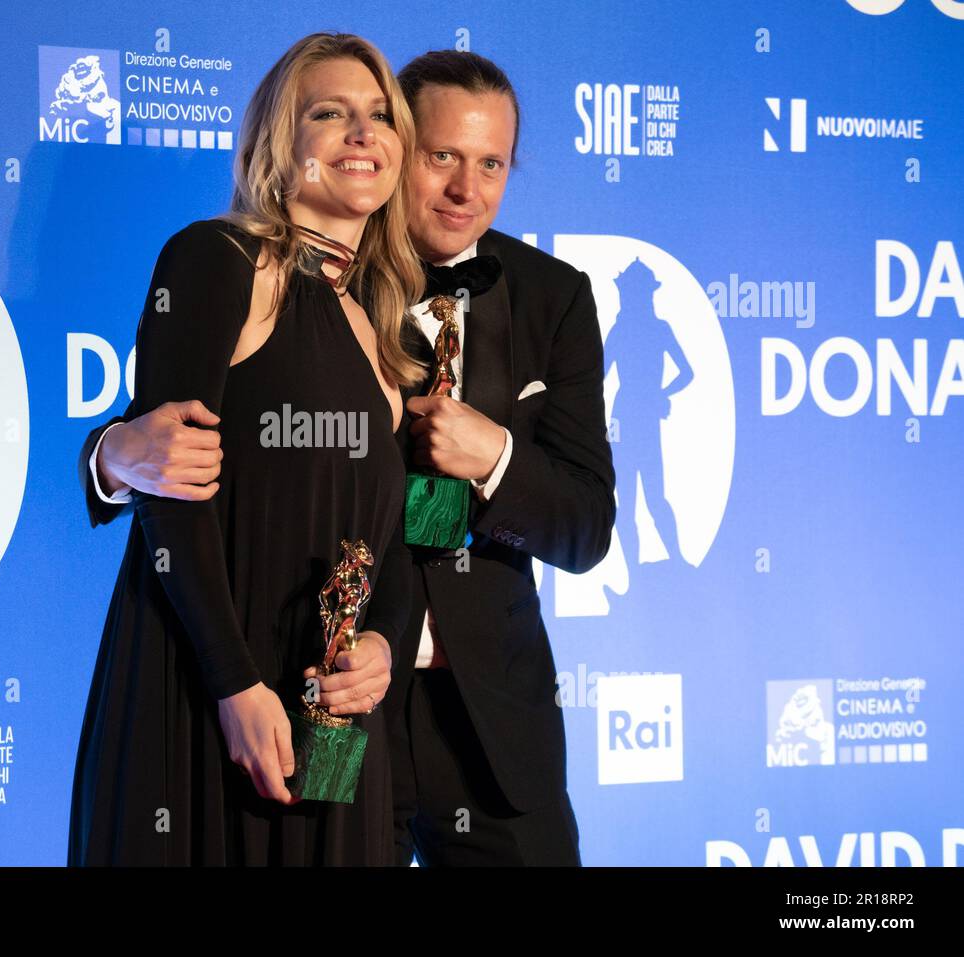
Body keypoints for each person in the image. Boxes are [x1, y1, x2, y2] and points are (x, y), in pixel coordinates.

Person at [82, 50, 616, 866]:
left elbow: (579, 525)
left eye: (492, 164)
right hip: (284, 693)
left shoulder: (540, 297)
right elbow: (169, 449)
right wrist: (112, 453)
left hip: (474, 717)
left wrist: (495, 458)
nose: (465, 189)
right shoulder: (268, 263)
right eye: (442, 156)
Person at [68, 32, 429, 866]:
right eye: (329, 113)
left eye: (380, 116)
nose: (362, 133)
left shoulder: (383, 325)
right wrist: (233, 682)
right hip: (206, 692)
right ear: (280, 139)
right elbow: (169, 482)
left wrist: (378, 646)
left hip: (331, 729)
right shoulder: (219, 260)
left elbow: (396, 543)